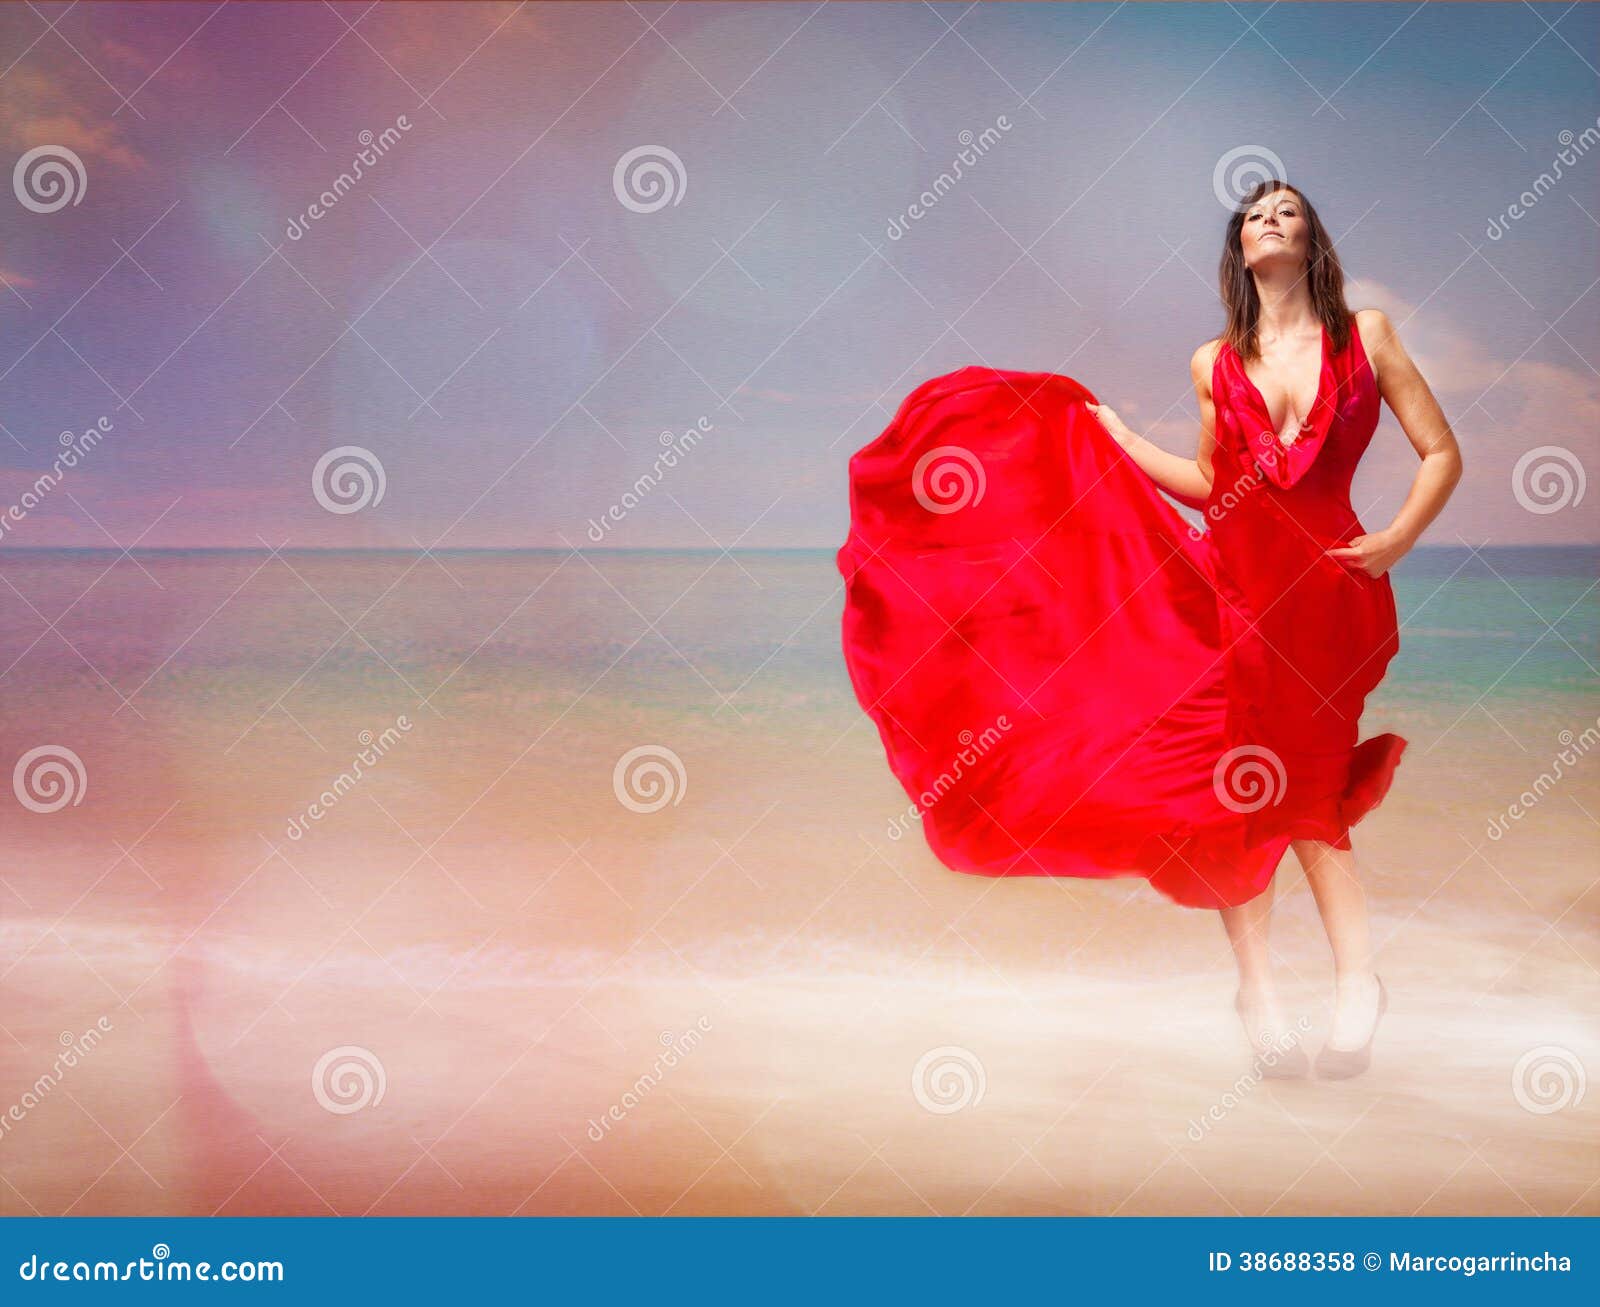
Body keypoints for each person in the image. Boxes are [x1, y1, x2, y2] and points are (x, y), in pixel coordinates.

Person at [837, 178, 1462, 1079]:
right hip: (1239, 594)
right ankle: (1264, 997)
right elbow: (1217, 486)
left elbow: (1441, 450)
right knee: (1245, 800)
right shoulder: (1215, 362)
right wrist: (1121, 441)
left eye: (1285, 211)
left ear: (1313, 239)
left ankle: (1359, 984)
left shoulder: (1365, 336)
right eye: (1252, 216)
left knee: (1315, 792)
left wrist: (1399, 535)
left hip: (1330, 593)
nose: (1267, 222)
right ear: (1238, 250)